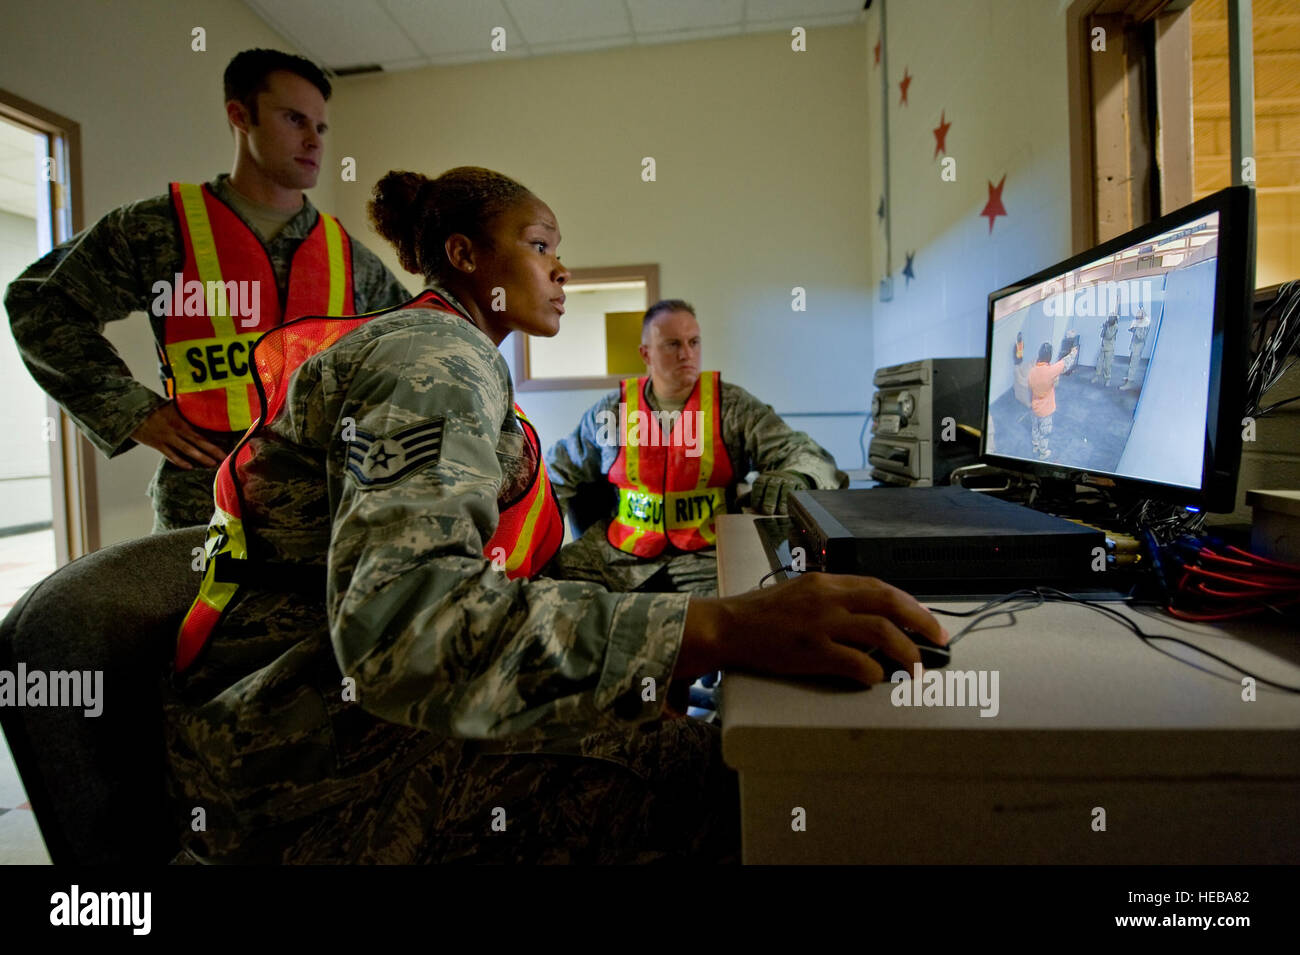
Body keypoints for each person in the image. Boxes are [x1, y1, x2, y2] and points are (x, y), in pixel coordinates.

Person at [162, 166, 947, 864]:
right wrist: (714, 630)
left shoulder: (466, 358)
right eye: (540, 245)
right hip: (316, 774)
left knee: (694, 730)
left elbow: (517, 554)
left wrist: (641, 648)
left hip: (330, 720)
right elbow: (406, 628)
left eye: (694, 342)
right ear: (467, 256)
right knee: (744, 787)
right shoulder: (435, 361)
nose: (561, 268)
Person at [4, 49, 409, 531]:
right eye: (294, 119)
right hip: (201, 512)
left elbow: (413, 346)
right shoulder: (160, 229)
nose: (312, 141)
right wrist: (131, 410)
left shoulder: (347, 256)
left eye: (320, 128)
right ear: (240, 116)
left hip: (320, 514)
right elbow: (41, 300)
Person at [545, 300, 848, 595]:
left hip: (709, 556)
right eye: (673, 344)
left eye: (694, 342)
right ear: (645, 353)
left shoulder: (733, 406)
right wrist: (537, 539)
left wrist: (797, 475)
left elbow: (805, 453)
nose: (687, 354)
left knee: (756, 611)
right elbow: (556, 473)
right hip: (616, 556)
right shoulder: (612, 411)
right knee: (544, 592)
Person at [1027, 340, 1076, 460]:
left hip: (1034, 407)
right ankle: (1043, 453)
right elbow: (1065, 363)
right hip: (1046, 410)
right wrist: (1073, 353)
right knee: (1044, 432)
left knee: (1035, 428)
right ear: (1049, 356)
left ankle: (1035, 445)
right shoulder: (1050, 371)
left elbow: (1030, 388)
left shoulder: (1031, 371)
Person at [1119, 306, 1151, 391]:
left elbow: (1141, 337)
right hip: (1134, 345)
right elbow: (1135, 333)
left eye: (1138, 314)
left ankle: (1130, 383)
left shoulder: (1145, 324)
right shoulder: (1140, 323)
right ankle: (1129, 377)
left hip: (1138, 346)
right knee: (1131, 362)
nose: (1137, 316)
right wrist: (1132, 328)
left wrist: (1136, 327)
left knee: (1134, 364)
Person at [1092, 313, 1119, 386]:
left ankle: (1108, 379)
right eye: (1109, 317)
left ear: (1114, 319)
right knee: (1099, 363)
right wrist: (1104, 327)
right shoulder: (1107, 325)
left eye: (1111, 318)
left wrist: (1106, 327)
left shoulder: (1115, 326)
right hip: (1103, 346)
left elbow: (1109, 336)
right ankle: (1096, 376)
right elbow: (1101, 335)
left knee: (1107, 365)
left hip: (1109, 348)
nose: (1109, 319)